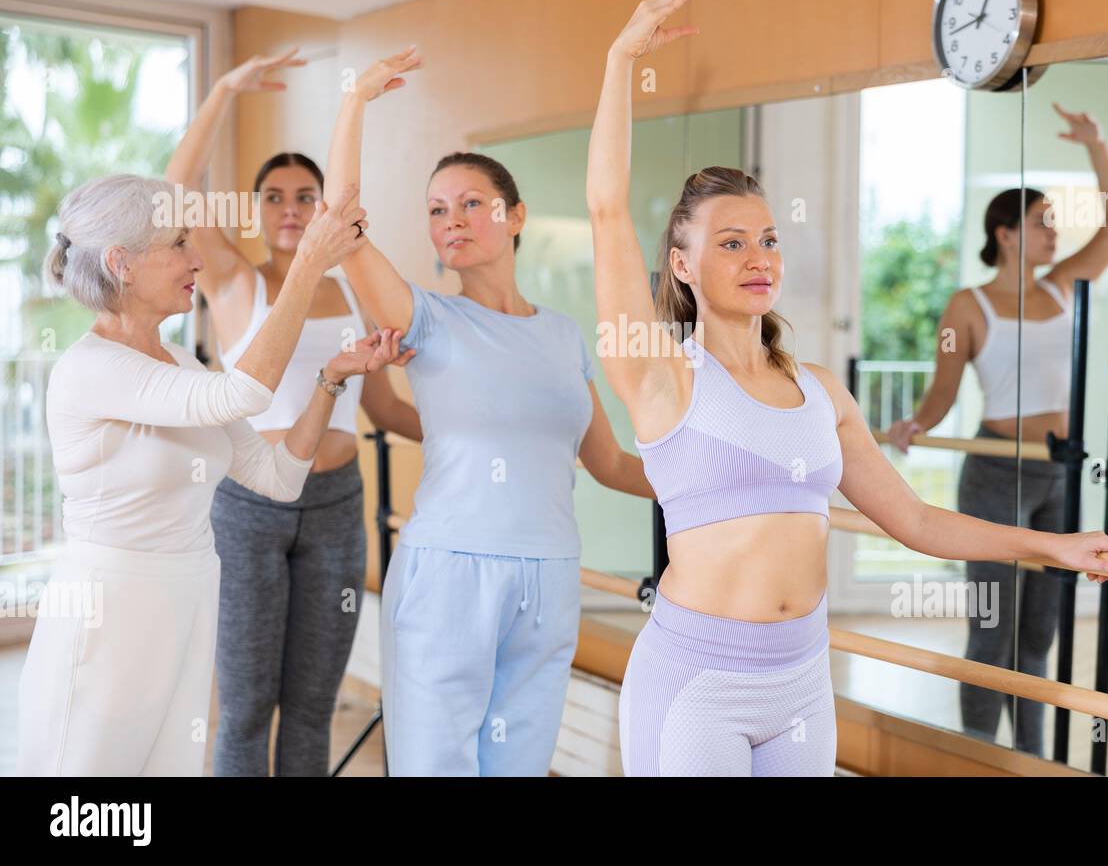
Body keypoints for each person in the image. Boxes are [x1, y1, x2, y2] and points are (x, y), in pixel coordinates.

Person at [591, 0, 1108, 777]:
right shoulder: (661, 373)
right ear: (683, 264)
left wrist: (1051, 547)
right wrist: (622, 60)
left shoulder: (820, 391)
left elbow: (915, 522)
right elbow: (606, 206)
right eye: (730, 242)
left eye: (768, 238)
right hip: (696, 681)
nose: (757, 256)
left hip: (802, 684)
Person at [323, 47, 656, 776]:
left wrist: (719, 483)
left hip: (550, 575)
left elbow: (608, 463)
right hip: (450, 575)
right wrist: (355, 101)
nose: (453, 221)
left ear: (516, 217)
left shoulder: (562, 333)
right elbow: (339, 223)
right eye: (437, 210)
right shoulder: (426, 320)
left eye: (472, 202)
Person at [18, 173, 406, 775]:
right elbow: (241, 393)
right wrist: (309, 262)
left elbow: (277, 476)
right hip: (109, 617)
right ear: (121, 262)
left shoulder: (177, 362)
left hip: (187, 605)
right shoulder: (89, 369)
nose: (195, 257)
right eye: (177, 244)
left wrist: (331, 378)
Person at [163, 50, 423, 775]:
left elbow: (384, 408)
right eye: (274, 197)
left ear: (326, 207)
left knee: (312, 706)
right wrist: (222, 91)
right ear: (255, 211)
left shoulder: (358, 295)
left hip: (336, 509)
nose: (290, 209)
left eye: (306, 196)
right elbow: (174, 192)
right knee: (246, 710)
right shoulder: (235, 283)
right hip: (248, 509)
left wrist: (480, 432)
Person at [884, 104, 1108, 755]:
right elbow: (942, 394)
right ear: (1008, 233)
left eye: (1053, 223)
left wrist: (1095, 144)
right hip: (995, 471)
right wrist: (915, 425)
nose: (1054, 233)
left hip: (1059, 471)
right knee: (992, 630)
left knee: (1039, 634)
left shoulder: (1062, 287)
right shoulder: (966, 305)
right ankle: (976, 754)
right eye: (1042, 223)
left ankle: (1028, 760)